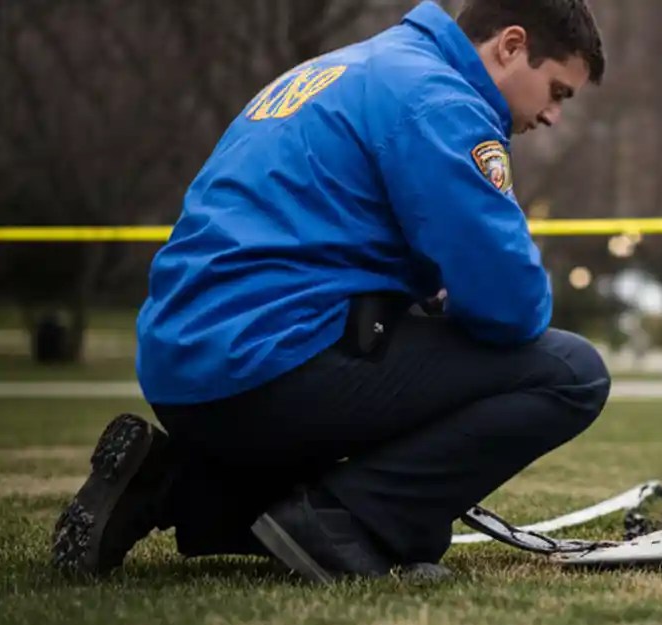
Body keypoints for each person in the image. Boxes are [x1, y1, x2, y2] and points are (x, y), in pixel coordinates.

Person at [51, 0, 610, 584]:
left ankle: (164, 487)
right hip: (270, 362)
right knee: (570, 371)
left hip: (191, 369)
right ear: (511, 45)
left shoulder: (347, 67)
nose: (552, 116)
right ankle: (343, 525)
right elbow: (512, 306)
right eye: (557, 91)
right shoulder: (440, 99)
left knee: (405, 505)